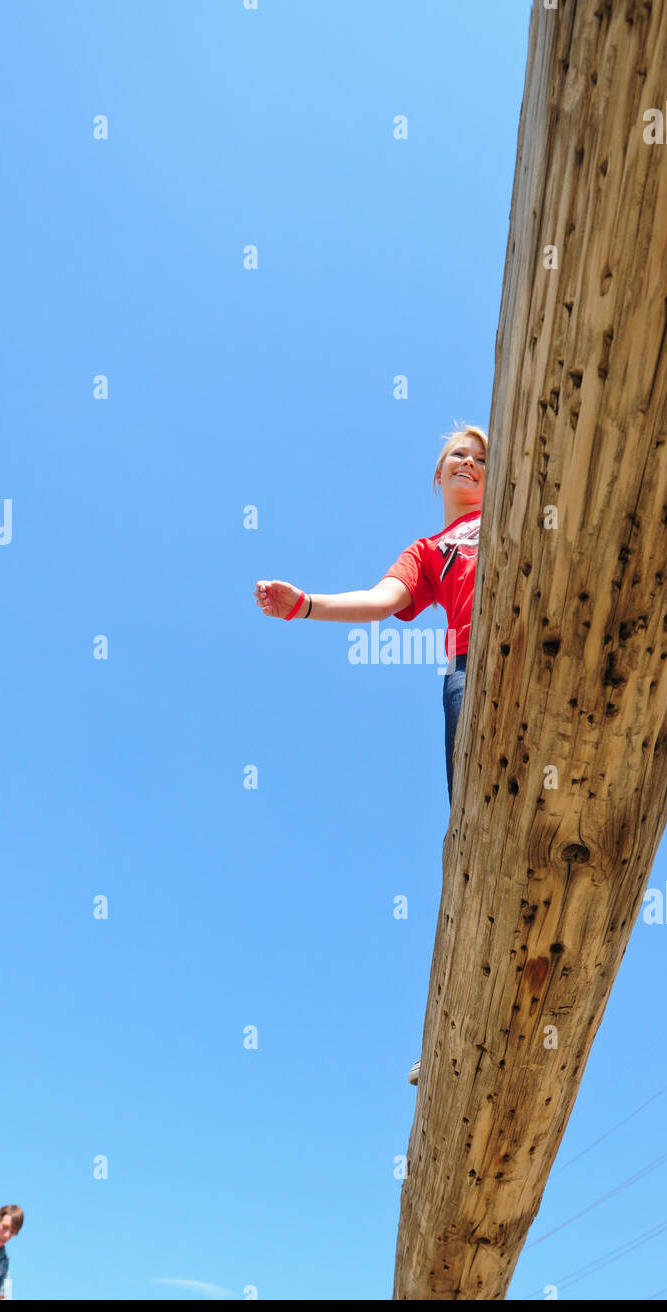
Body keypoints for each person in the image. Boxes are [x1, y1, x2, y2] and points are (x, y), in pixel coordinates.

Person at [255, 425, 486, 1086]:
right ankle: (445, 1033)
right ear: (438, 477)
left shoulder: (528, 510)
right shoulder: (429, 549)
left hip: (548, 648)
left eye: (481, 457)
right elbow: (381, 602)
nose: (468, 462)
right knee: (473, 843)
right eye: (456, 457)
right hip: (472, 674)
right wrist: (306, 606)